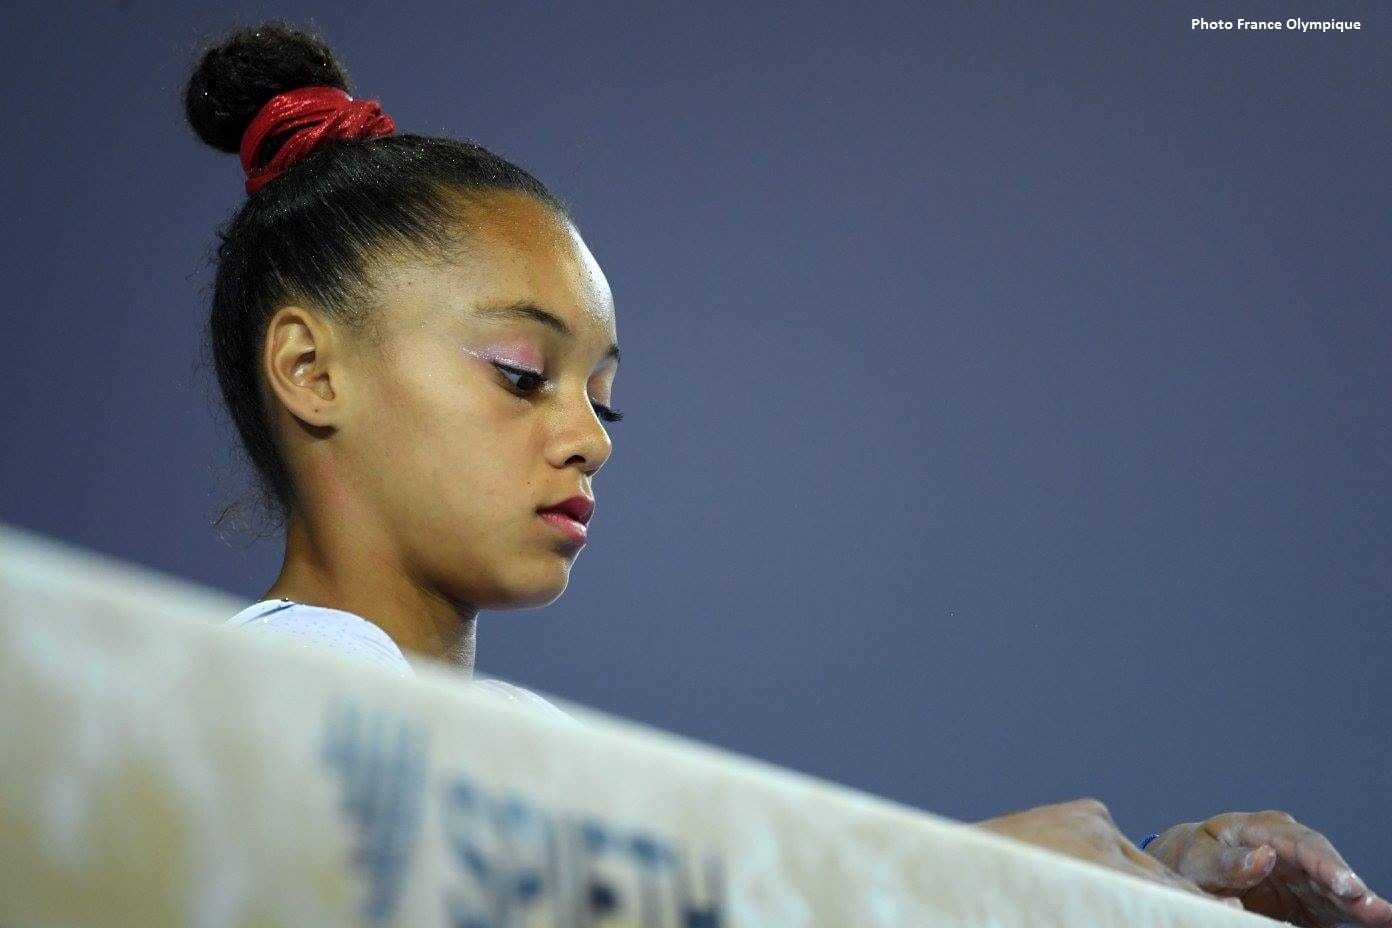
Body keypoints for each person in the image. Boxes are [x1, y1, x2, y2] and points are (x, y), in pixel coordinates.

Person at [183, 21, 1387, 925]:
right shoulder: (289, 671)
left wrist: (1141, 904)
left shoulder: (522, 742)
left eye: (606, 398)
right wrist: (949, 879)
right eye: (519, 371)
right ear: (311, 368)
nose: (590, 436)